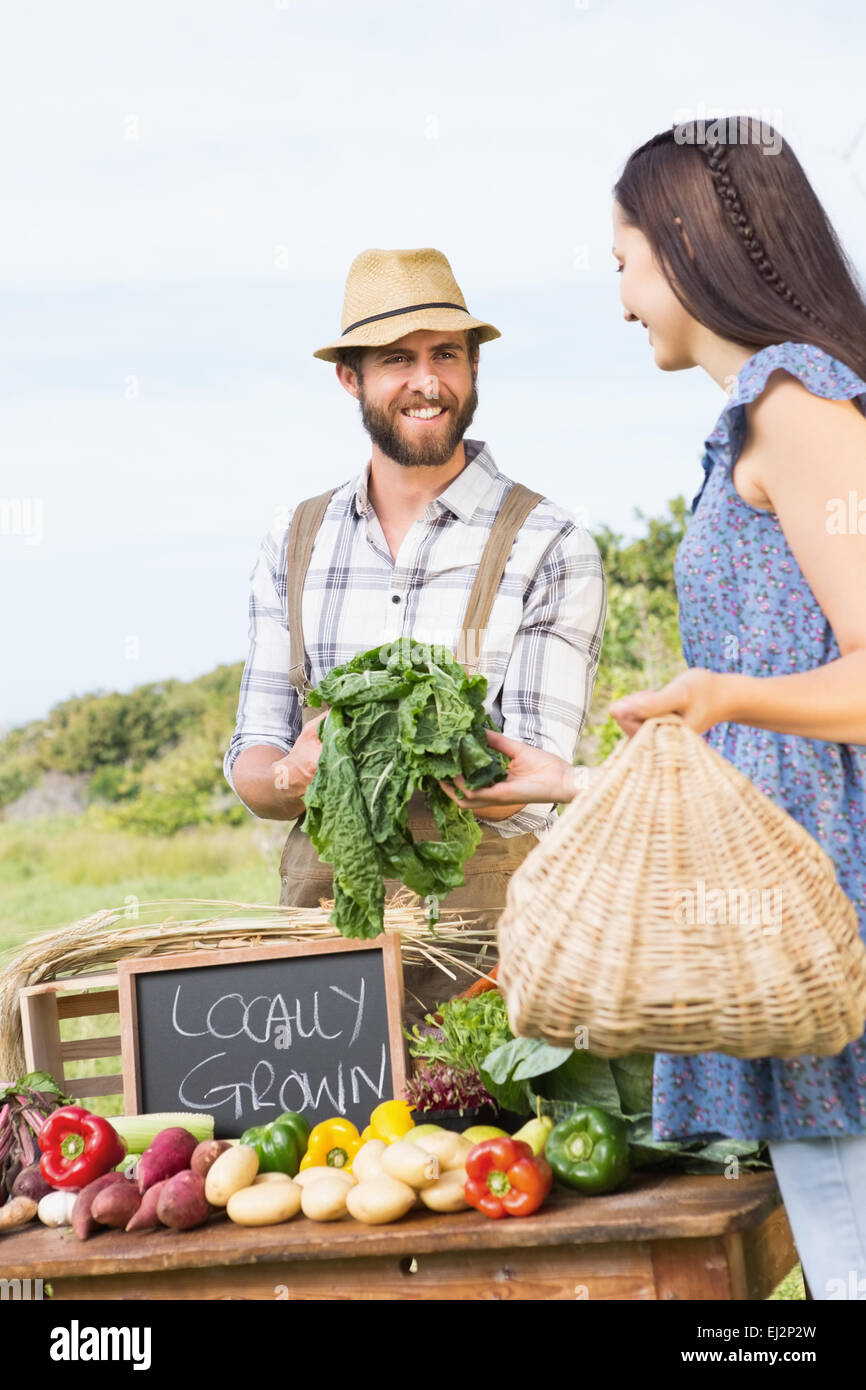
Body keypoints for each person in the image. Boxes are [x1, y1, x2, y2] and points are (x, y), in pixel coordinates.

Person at [441, 118, 866, 1299]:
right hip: (791, 909)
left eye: (622, 257)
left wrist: (718, 693)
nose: (620, 295)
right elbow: (765, 736)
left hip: (832, 918)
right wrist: (575, 781)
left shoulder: (796, 403)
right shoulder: (765, 415)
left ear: (682, 249)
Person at [223, 246, 606, 1022]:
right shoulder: (295, 538)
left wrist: (420, 747)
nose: (427, 383)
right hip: (322, 938)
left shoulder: (549, 544)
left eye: (447, 356)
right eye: (397, 359)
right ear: (350, 378)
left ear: (472, 369)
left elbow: (533, 790)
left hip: (483, 943)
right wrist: (299, 771)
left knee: (489, 1142)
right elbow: (252, 761)